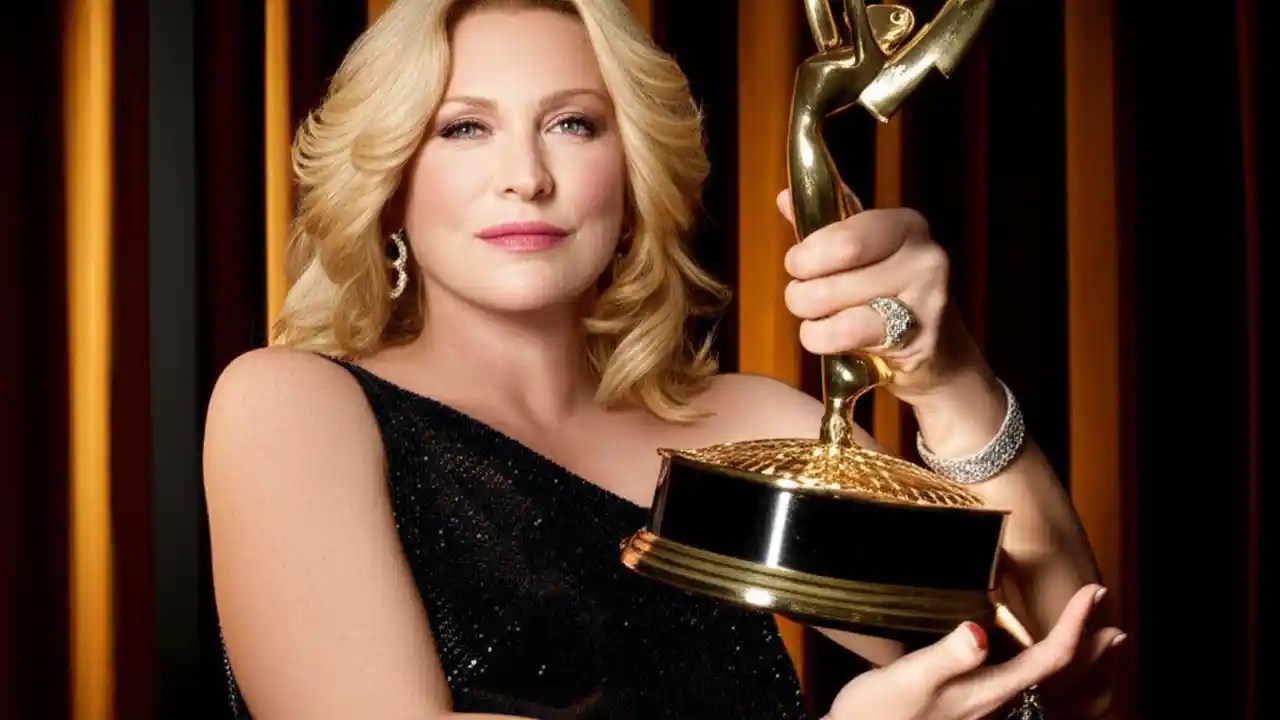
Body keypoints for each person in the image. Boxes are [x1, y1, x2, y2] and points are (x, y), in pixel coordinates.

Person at [203, 0, 1125, 717]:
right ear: (390, 183)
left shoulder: (752, 431)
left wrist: (947, 377)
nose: (526, 174)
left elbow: (1060, 677)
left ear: (634, 170)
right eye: (463, 127)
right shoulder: (295, 405)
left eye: (572, 124)